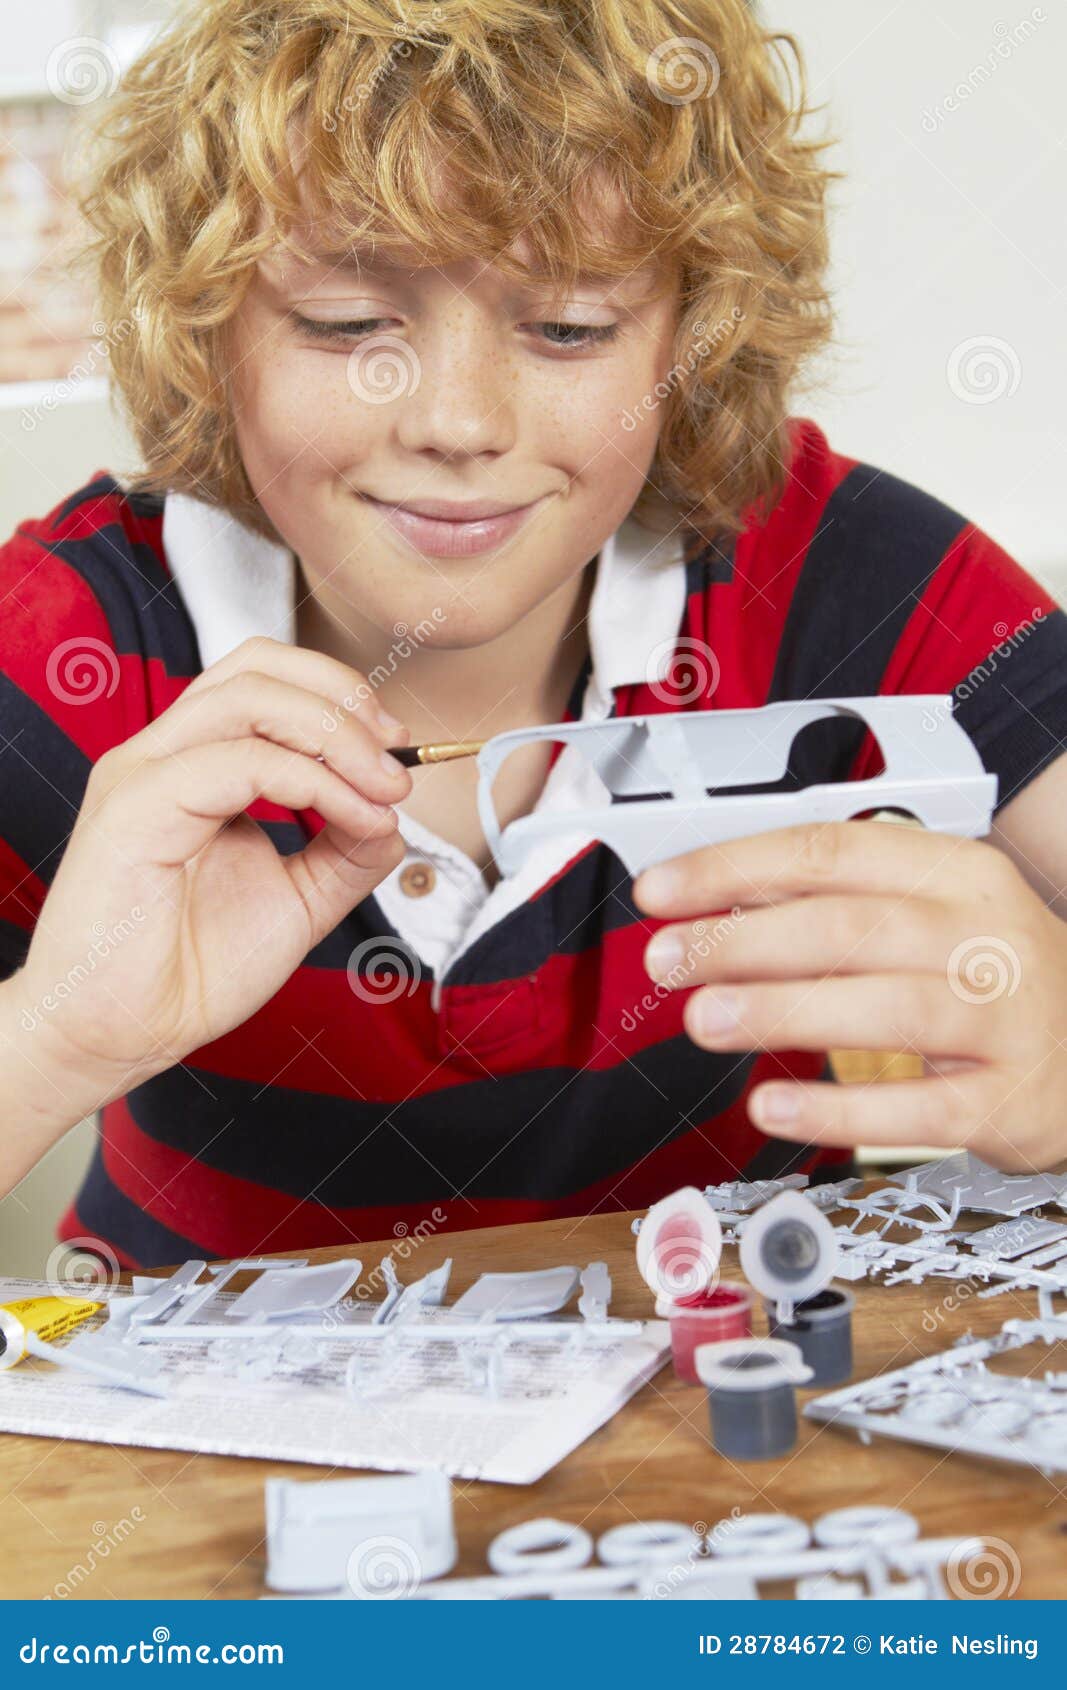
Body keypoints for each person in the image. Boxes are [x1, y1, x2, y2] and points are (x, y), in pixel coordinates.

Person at [2, 0, 1065, 1270]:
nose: (457, 422)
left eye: (567, 327)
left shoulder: (842, 571)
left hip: (735, 1406)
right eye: (347, 324)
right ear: (206, 331)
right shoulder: (60, 647)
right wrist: (54, 1039)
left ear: (694, 335)